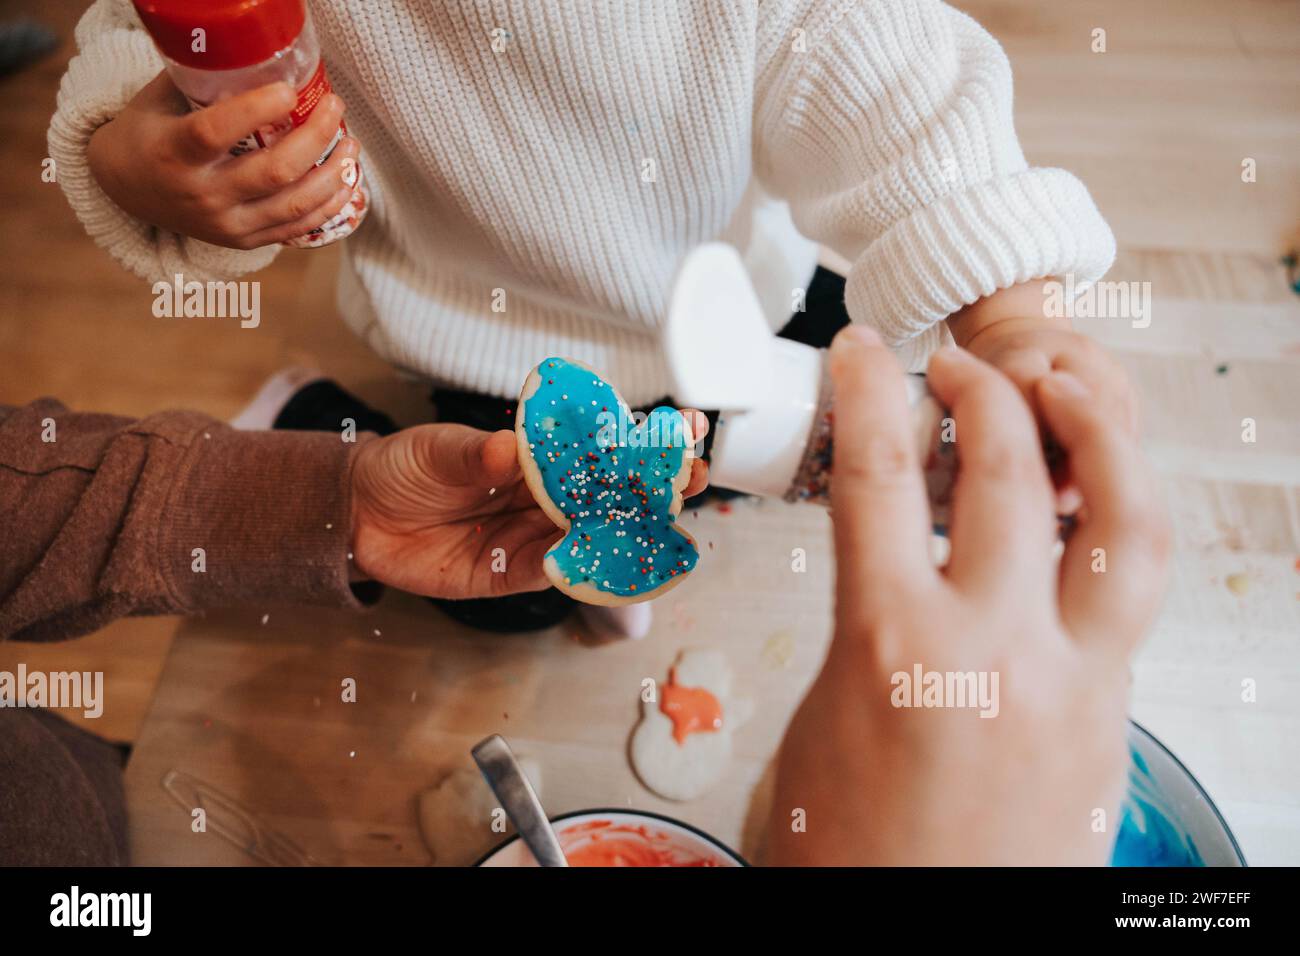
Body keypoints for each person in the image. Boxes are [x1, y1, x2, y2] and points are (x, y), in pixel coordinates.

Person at [52, 0, 1133, 637]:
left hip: (721, 275)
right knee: (510, 596)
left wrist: (1009, 325)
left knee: (855, 379)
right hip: (486, 327)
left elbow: (883, 66)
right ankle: (312, 413)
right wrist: (130, 162)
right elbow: (134, 43)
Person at [0, 332, 1169, 864]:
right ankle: (311, 407)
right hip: (466, 345)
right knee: (506, 597)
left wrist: (317, 503)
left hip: (86, 781)